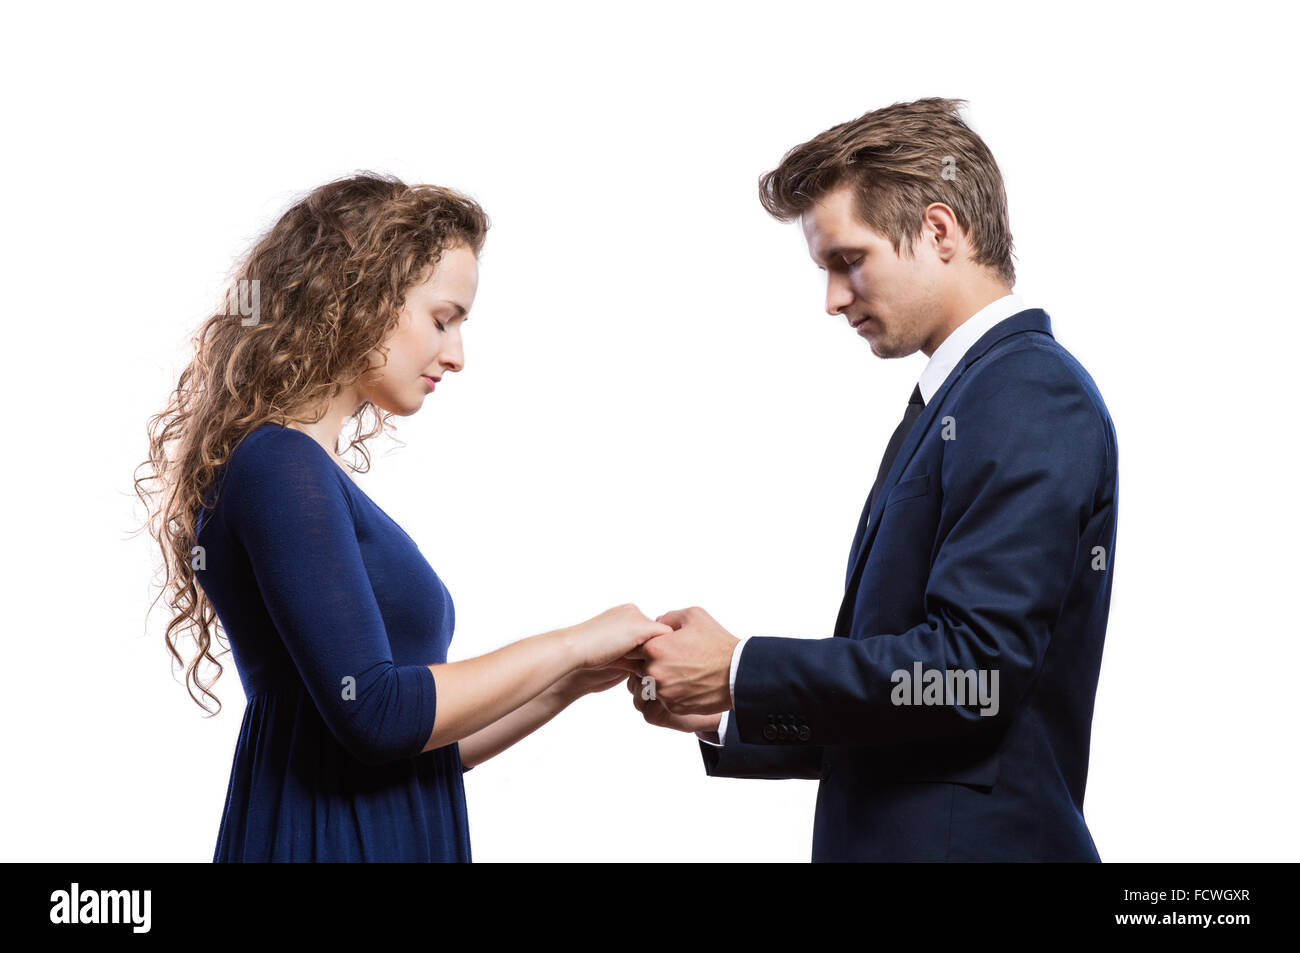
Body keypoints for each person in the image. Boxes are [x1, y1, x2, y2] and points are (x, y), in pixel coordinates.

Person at [625, 97, 1119, 862]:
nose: (832, 299)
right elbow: (908, 710)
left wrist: (741, 664)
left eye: (848, 260)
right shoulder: (963, 398)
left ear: (939, 229)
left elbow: (970, 677)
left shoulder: (1025, 393)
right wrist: (728, 704)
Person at [135, 171, 670, 862]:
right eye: (442, 318)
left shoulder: (299, 471)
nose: (456, 354)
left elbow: (418, 744)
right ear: (357, 298)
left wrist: (568, 679)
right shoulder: (280, 465)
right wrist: (570, 641)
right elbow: (377, 715)